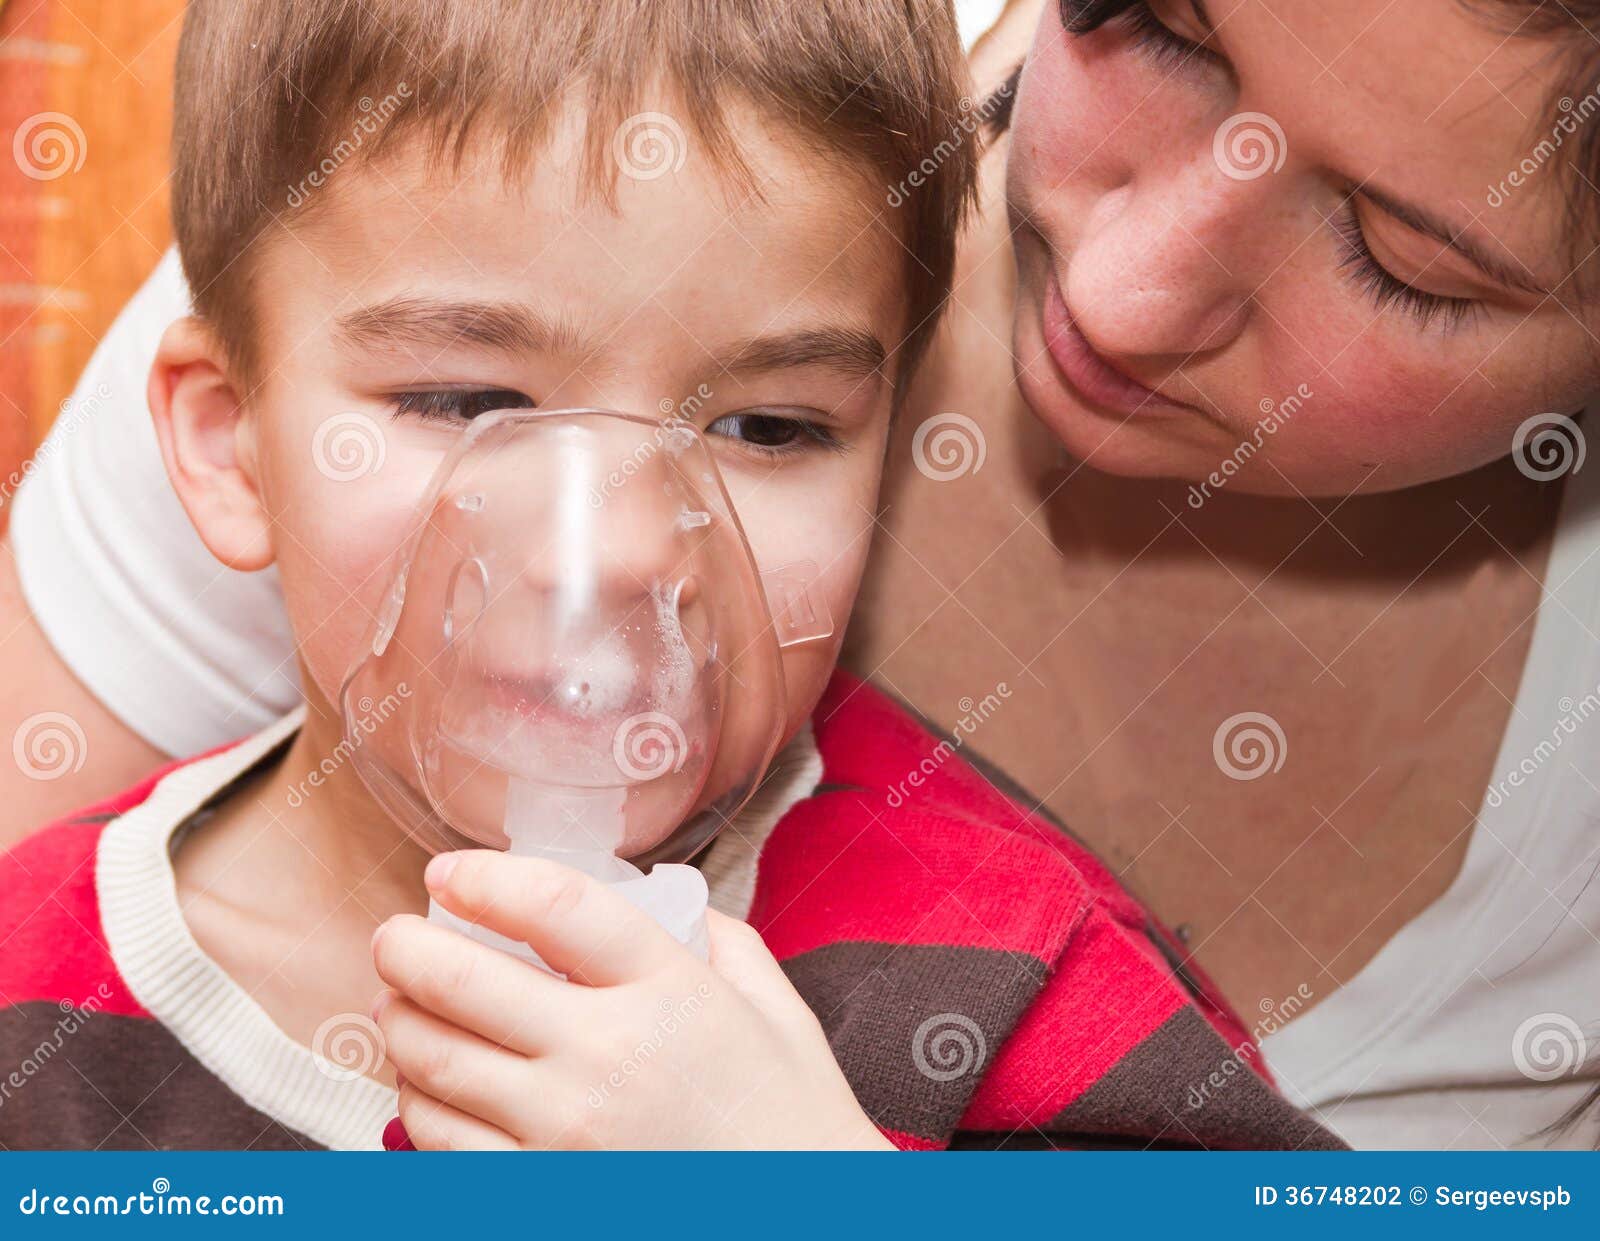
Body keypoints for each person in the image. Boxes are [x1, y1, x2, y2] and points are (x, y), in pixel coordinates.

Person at [3, 0, 1595, 1149]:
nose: (616, 547)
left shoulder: (1018, 978)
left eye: (766, 425)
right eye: (466, 404)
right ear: (220, 445)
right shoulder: (34, 1001)